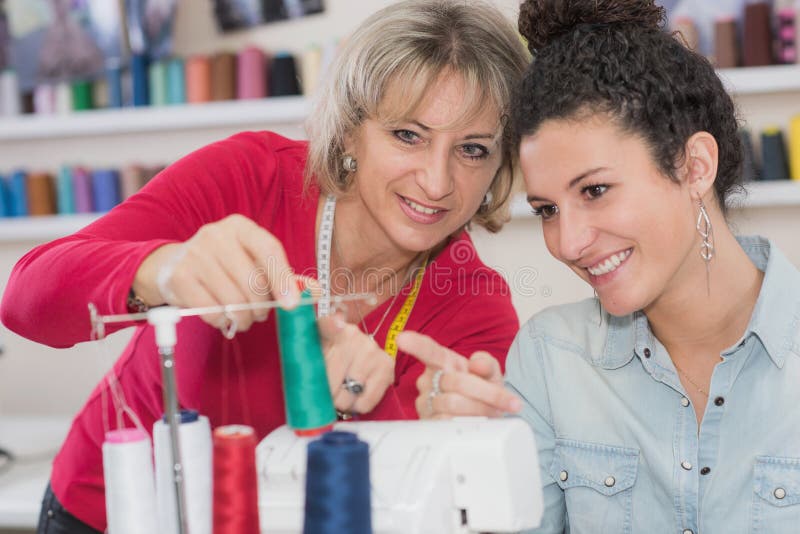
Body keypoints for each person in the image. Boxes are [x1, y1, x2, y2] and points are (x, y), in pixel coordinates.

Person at [0, 1, 528, 531]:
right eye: (407, 135)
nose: (436, 182)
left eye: (473, 149)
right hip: (114, 512)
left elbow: (394, 501)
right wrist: (163, 269)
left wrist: (435, 430)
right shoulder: (247, 180)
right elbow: (26, 302)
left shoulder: (476, 309)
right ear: (349, 130)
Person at [401, 0, 800, 532]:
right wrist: (465, 470)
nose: (568, 243)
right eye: (546, 210)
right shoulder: (549, 360)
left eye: (595, 190)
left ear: (695, 167)